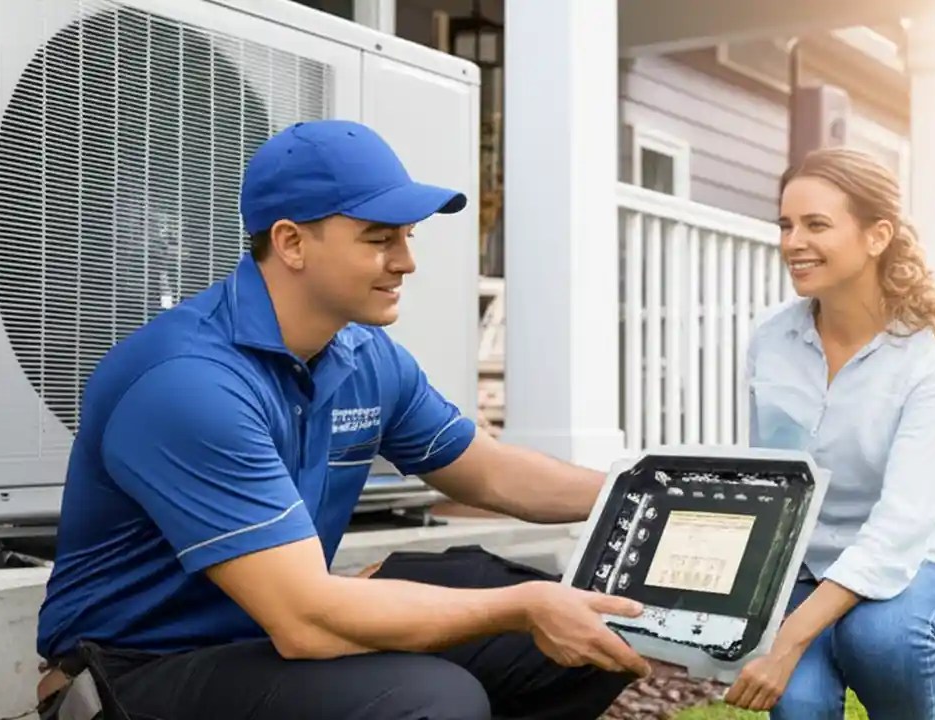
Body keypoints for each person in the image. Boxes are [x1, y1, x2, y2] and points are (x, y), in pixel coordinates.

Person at [34, 119, 652, 720]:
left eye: (409, 236)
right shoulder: (186, 381)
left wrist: (654, 497)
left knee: (590, 633)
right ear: (292, 242)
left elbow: (489, 474)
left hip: (268, 638)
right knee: (432, 697)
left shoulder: (362, 353)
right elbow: (307, 621)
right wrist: (521, 606)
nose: (406, 262)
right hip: (139, 670)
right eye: (380, 239)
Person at [723, 148, 935, 719]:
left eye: (816, 225)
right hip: (801, 570)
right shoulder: (771, 340)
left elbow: (901, 526)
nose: (792, 242)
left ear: (876, 235)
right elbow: (769, 482)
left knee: (880, 639)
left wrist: (788, 641)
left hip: (914, 569)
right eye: (786, 225)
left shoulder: (930, 359)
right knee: (798, 704)